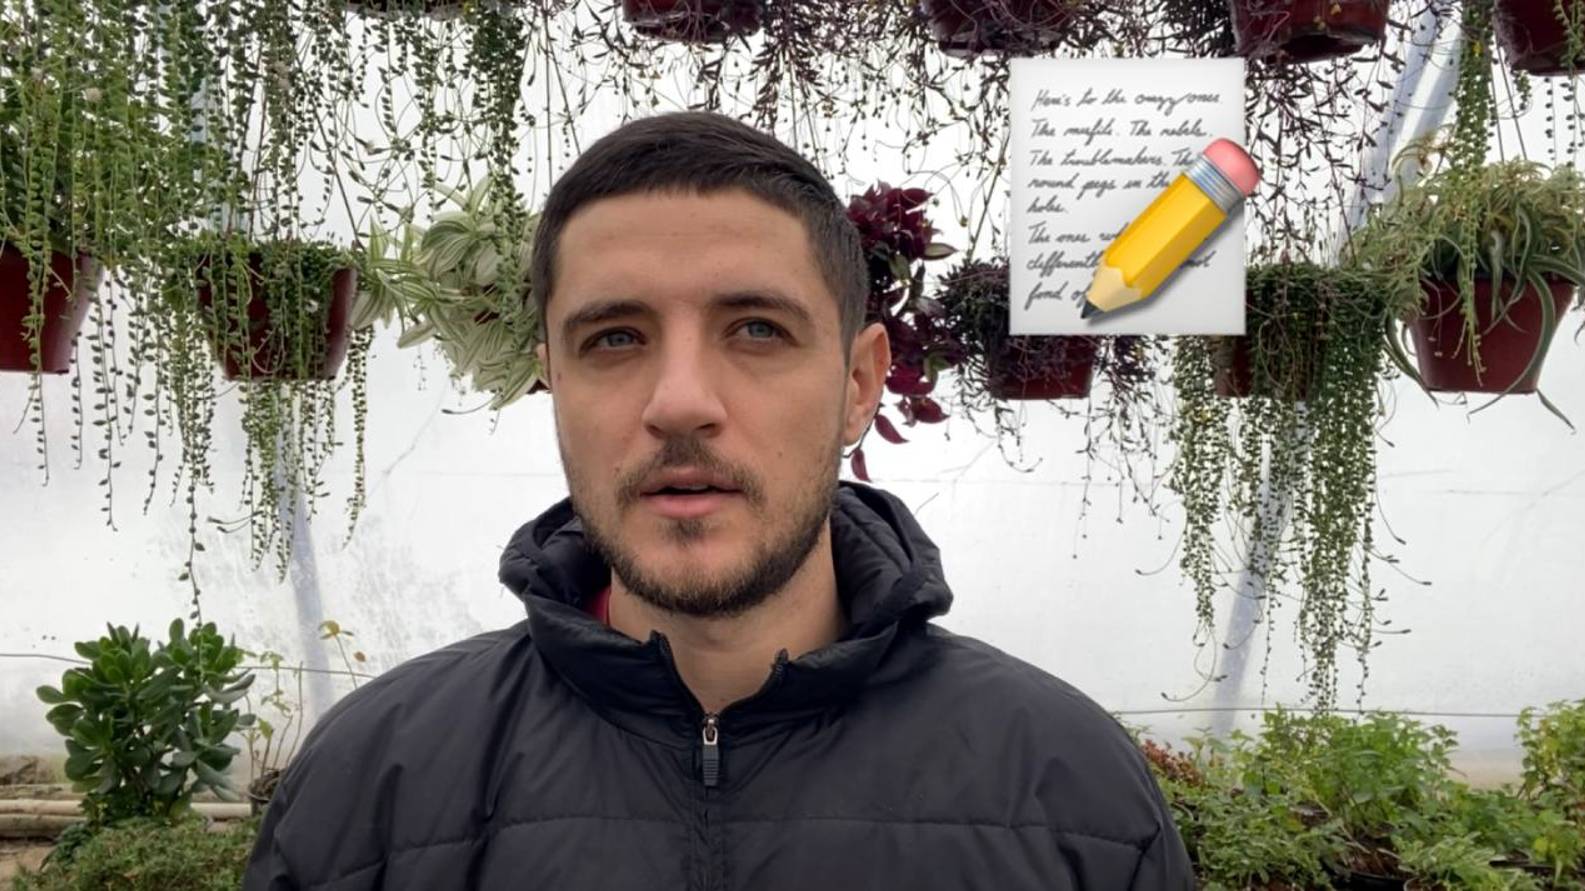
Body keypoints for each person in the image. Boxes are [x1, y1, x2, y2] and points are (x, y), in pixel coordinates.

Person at [244, 110, 1194, 890]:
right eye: (614, 338)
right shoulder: (375, 783)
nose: (680, 402)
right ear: (553, 384)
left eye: (756, 328)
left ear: (859, 384)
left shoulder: (1072, 794)